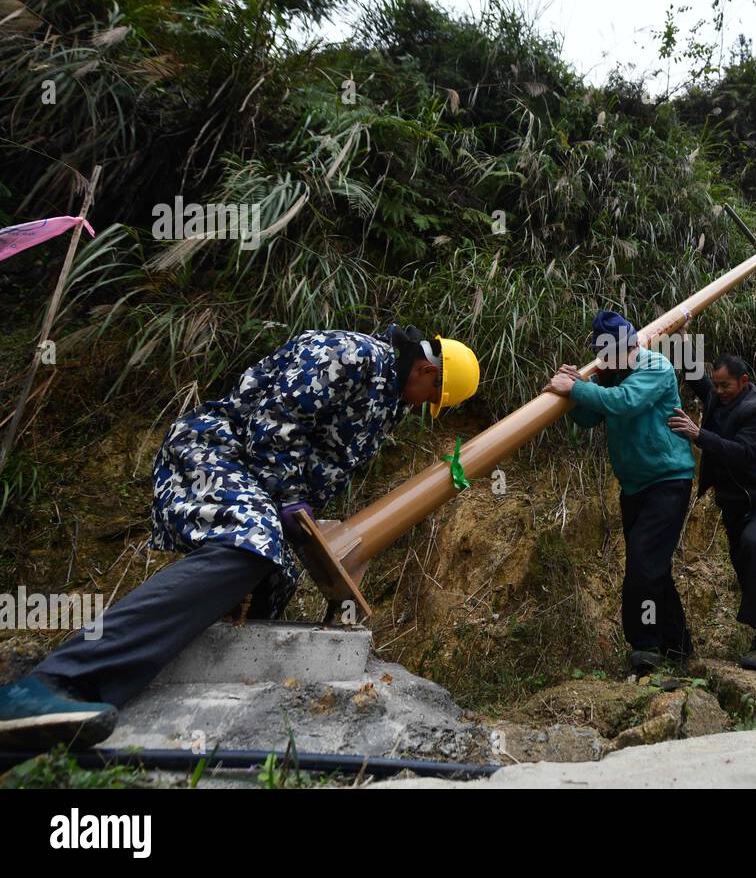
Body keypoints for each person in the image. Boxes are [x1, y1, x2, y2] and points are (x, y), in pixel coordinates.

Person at [0, 323, 479, 748]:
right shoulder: (350, 355)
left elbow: (325, 467)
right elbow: (275, 421)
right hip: (216, 451)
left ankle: (134, 702)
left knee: (273, 580)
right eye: (432, 398)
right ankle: (53, 684)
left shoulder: (385, 400)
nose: (425, 407)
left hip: (257, 480)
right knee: (252, 544)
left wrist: (313, 523)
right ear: (423, 370)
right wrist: (290, 497)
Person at [548, 310, 697, 675]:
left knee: (643, 565)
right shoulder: (609, 375)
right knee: (654, 568)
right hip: (634, 485)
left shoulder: (656, 367)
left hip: (668, 480)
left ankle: (645, 646)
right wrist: (574, 390)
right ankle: (679, 647)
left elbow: (625, 403)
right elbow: (588, 418)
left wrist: (580, 389)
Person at [668, 354, 756, 670]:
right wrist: (682, 335)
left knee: (753, 545)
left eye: (726, 385)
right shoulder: (714, 394)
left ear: (743, 382)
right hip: (735, 503)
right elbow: (693, 371)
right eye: (717, 383)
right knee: (745, 567)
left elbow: (743, 453)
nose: (718, 390)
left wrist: (698, 435)